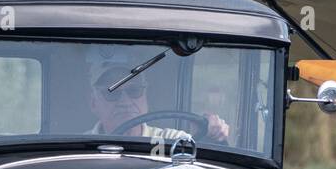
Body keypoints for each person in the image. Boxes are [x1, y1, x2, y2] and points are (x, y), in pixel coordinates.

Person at [88, 59, 230, 144]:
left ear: (146, 97)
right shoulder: (82, 146)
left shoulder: (172, 140)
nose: (125, 101)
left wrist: (212, 131)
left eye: (134, 90)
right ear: (94, 103)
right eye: (112, 93)